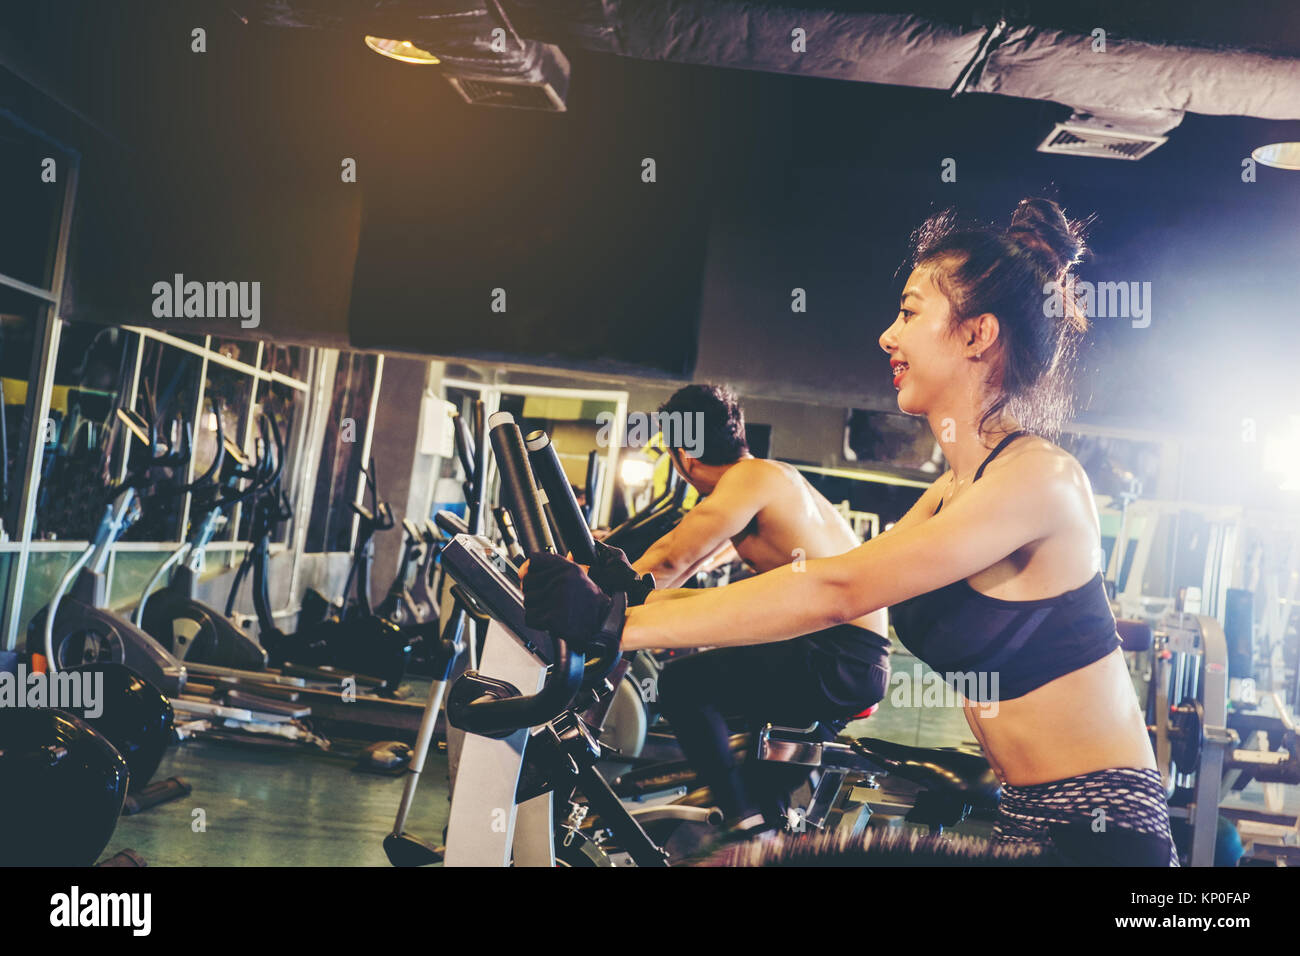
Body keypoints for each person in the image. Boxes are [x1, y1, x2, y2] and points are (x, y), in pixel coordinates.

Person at [525, 198, 1177, 866]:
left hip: (1103, 835)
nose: (886, 337)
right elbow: (815, 585)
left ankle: (748, 830)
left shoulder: (1042, 480)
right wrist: (631, 600)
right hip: (1024, 826)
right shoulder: (951, 493)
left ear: (978, 334)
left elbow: (839, 589)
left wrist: (614, 625)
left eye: (910, 312)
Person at [601, 384, 891, 830]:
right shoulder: (771, 476)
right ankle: (758, 831)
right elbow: (680, 567)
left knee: (682, 685)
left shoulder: (747, 479)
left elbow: (671, 558)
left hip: (835, 656)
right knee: (757, 791)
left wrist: (591, 603)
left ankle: (743, 822)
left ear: (684, 456)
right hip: (855, 663)